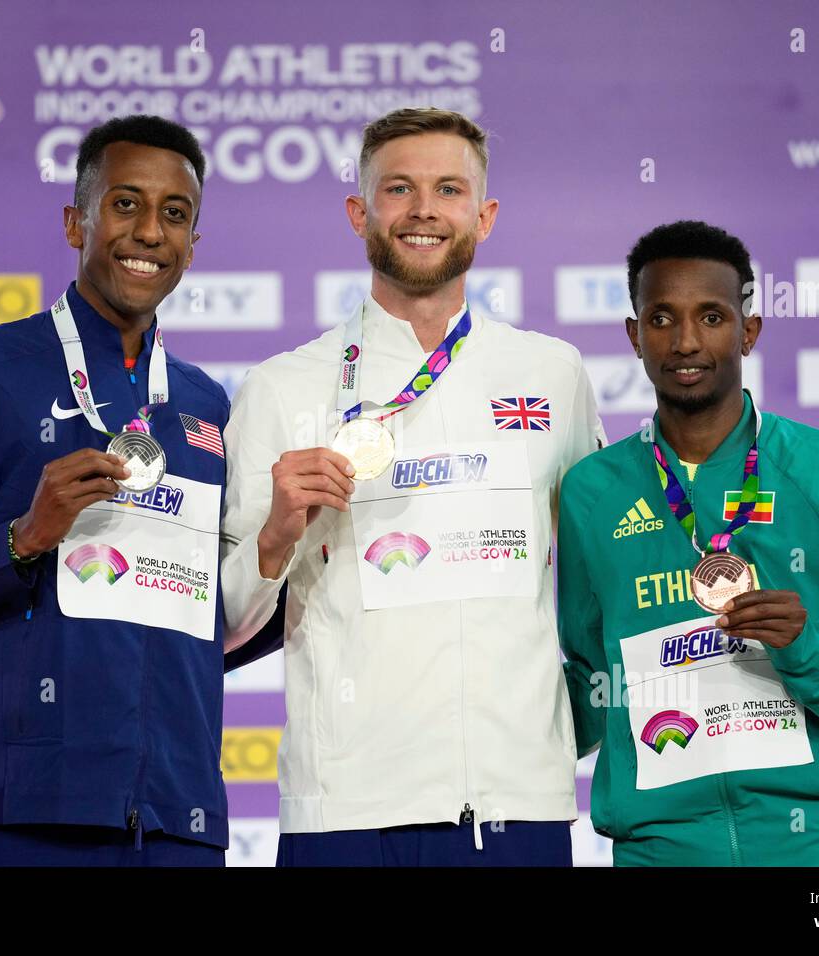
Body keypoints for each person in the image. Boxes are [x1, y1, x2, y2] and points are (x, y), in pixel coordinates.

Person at [221, 107, 606, 866]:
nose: (424, 209)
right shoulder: (281, 388)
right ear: (358, 213)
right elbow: (225, 624)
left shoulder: (554, 375)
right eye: (398, 189)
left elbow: (599, 575)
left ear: (485, 216)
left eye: (449, 189)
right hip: (347, 809)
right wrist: (276, 535)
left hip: (518, 801)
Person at [0, 115, 233, 866]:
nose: (150, 233)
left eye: (175, 214)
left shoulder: (205, 406)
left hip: (174, 827)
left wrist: (285, 551)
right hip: (17, 823)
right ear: (77, 222)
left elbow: (204, 620)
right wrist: (22, 540)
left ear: (194, 244)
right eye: (125, 204)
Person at [558, 219, 819, 866]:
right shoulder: (591, 493)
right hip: (658, 851)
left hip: (817, 848)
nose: (686, 341)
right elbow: (589, 686)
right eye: (661, 318)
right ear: (634, 335)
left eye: (711, 316)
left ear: (749, 329)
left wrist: (807, 647)